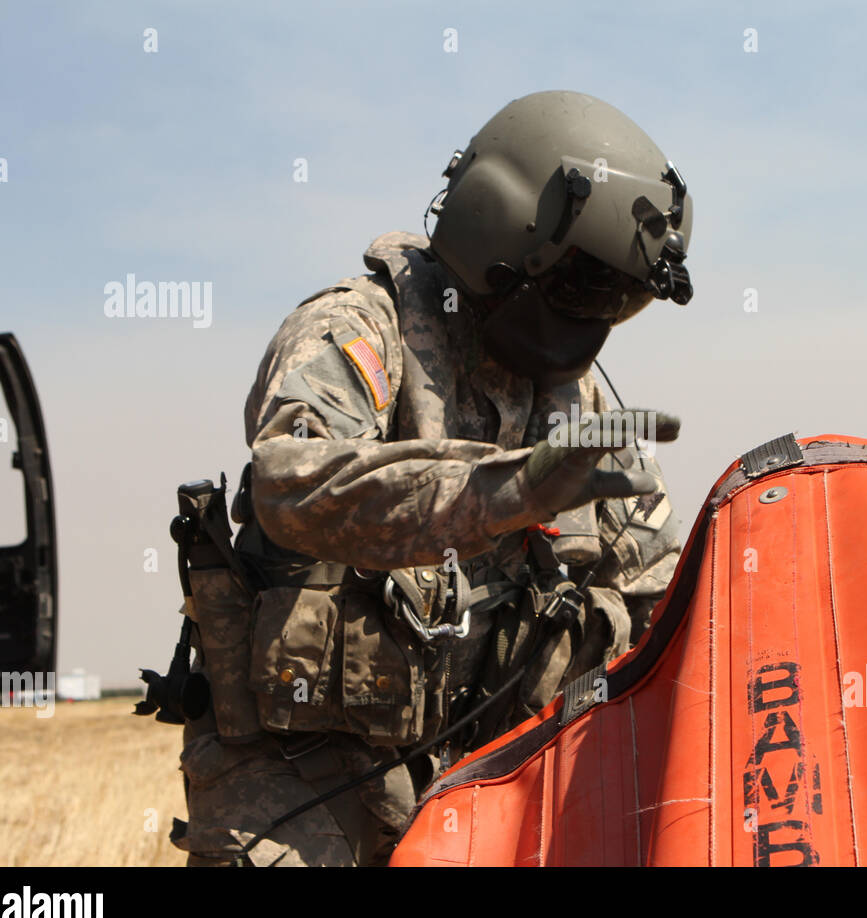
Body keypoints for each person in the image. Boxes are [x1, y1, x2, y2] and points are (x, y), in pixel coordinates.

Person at [164, 90, 695, 866]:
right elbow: (293, 485)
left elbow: (664, 598)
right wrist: (510, 490)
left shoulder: (574, 403)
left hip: (485, 784)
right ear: (500, 230)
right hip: (299, 779)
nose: (601, 319)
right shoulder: (356, 330)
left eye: (624, 299)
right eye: (587, 286)